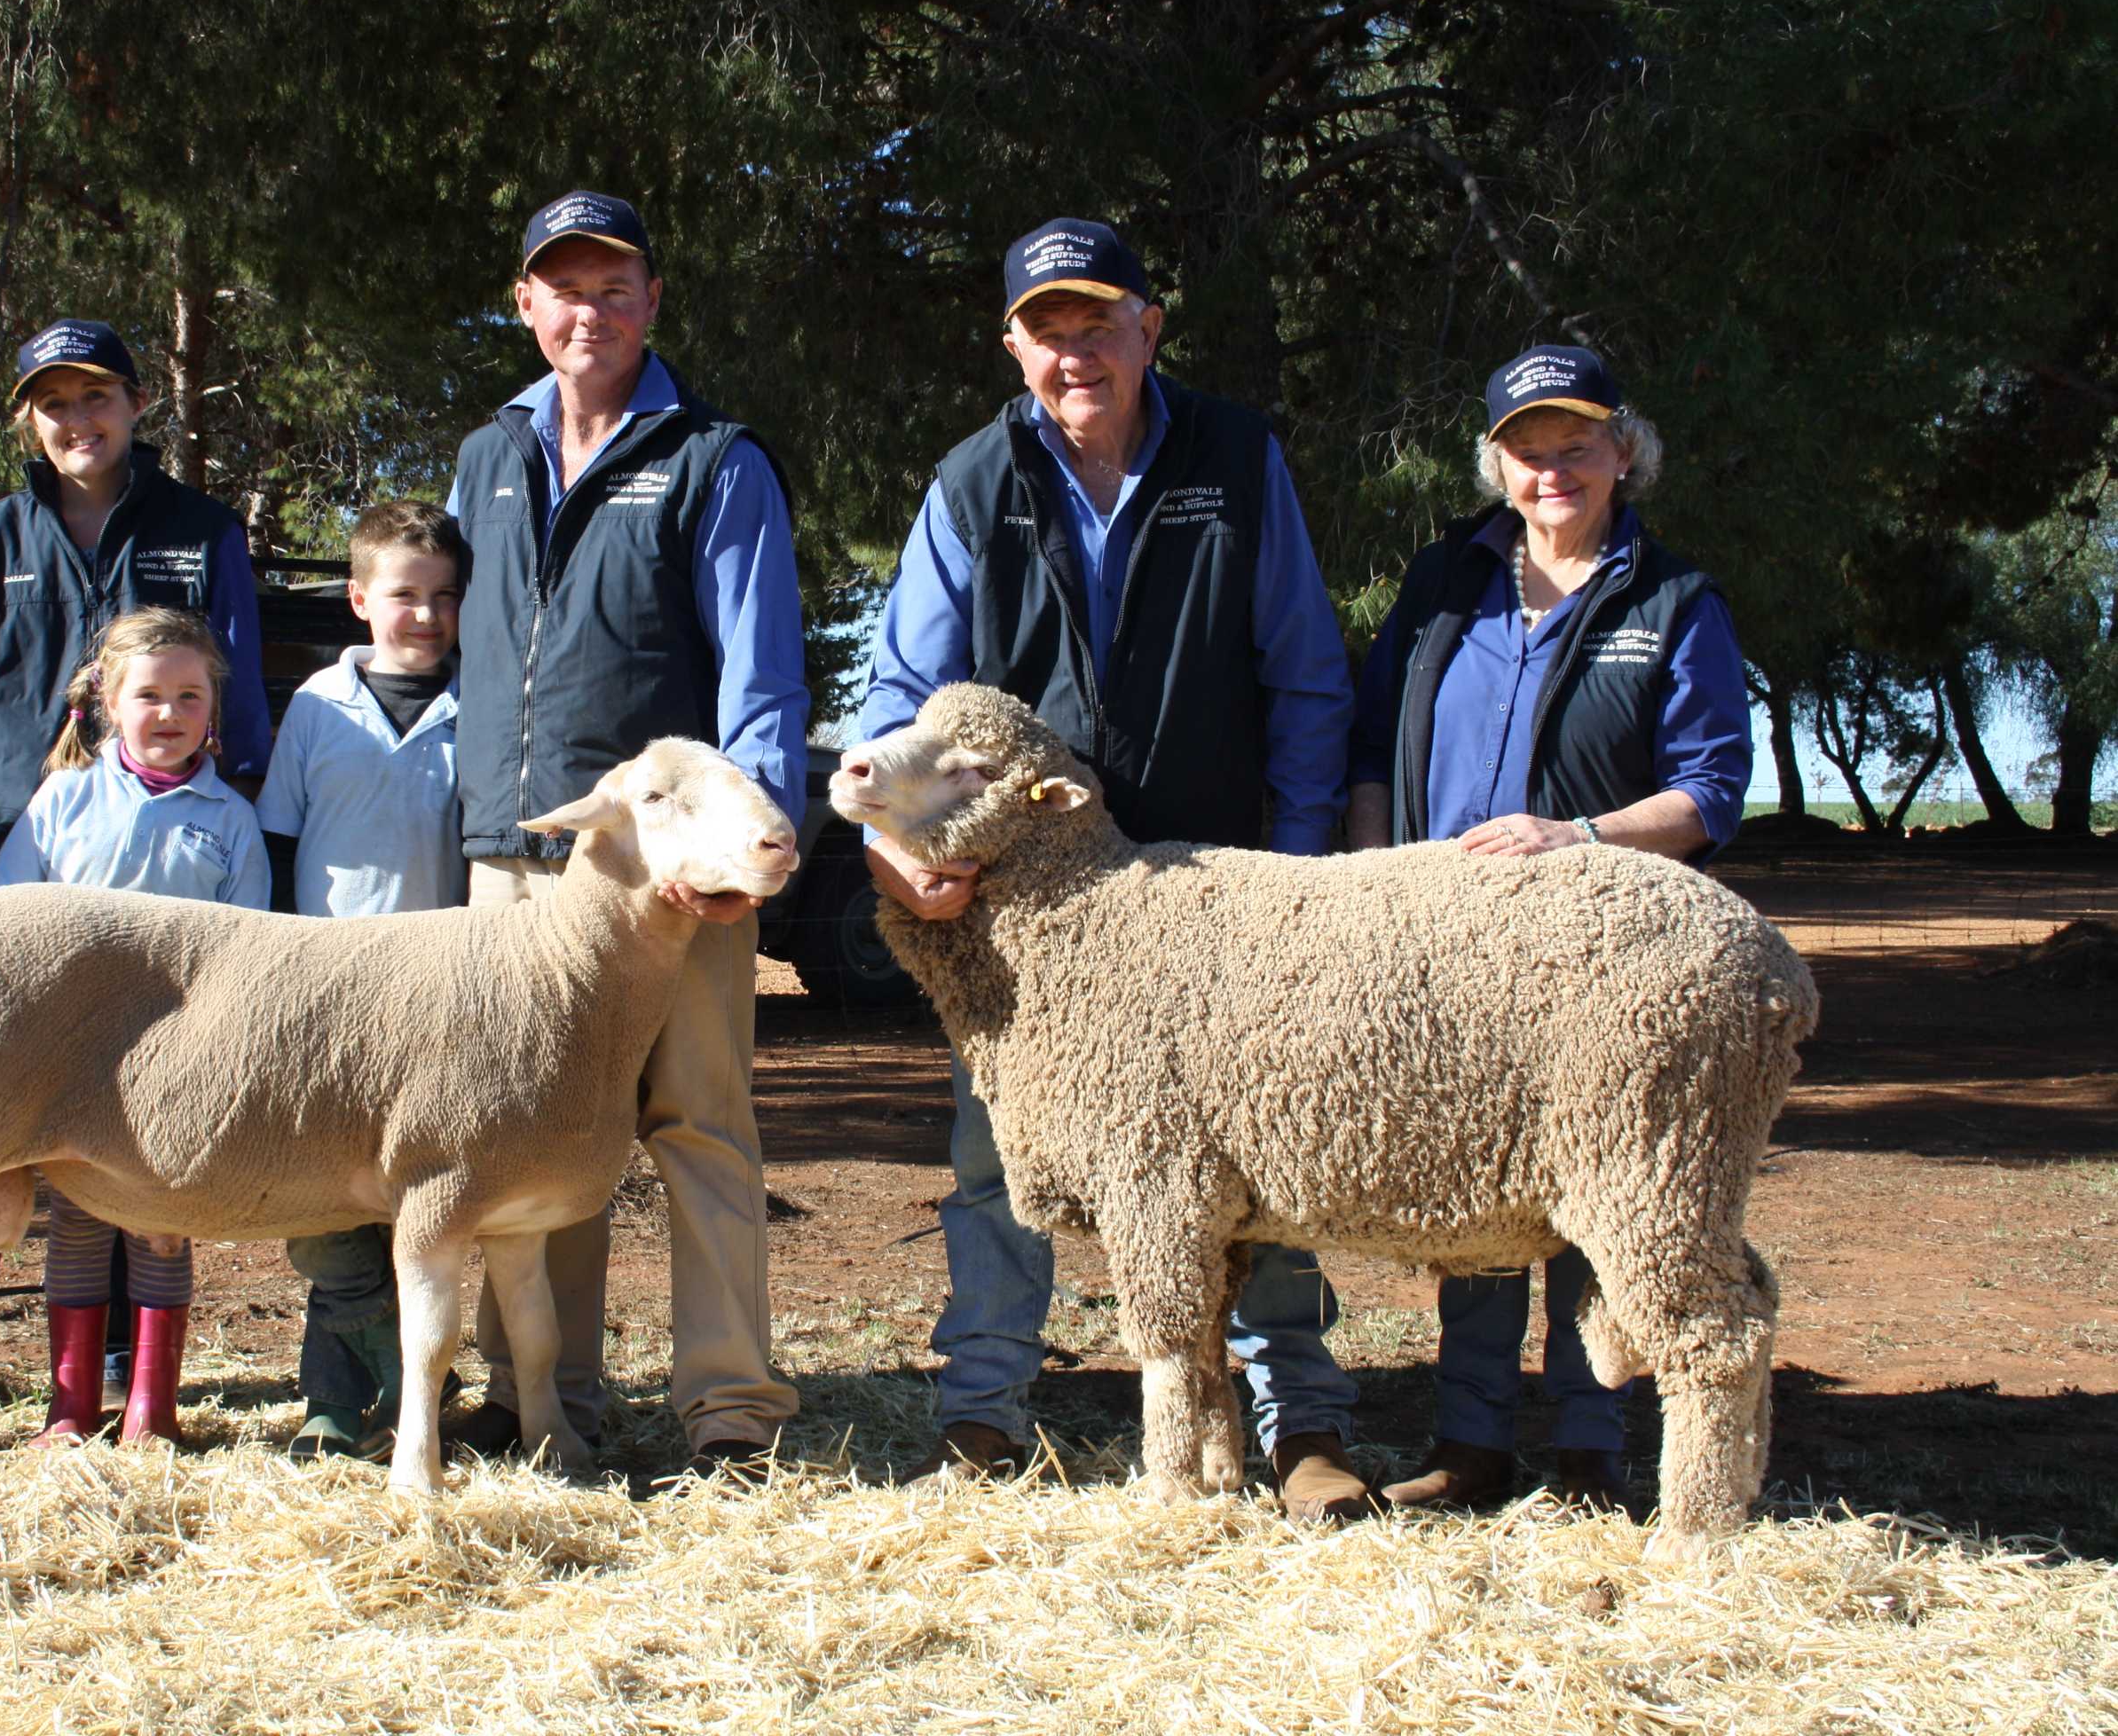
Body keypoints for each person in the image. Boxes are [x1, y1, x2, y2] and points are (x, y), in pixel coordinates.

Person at [854, 216, 1372, 1520]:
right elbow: (906, 698)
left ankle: (1297, 1419)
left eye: (1100, 323)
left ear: (1150, 328)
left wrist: (1301, 878)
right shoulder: (976, 480)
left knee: (1270, 1148)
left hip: (1222, 885)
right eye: (1047, 328)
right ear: (1012, 343)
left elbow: (1305, 672)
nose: (1074, 351)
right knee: (997, 1149)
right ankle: (984, 1409)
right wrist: (899, 841)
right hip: (1034, 904)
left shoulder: (1236, 458)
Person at [1344, 343, 1754, 1512]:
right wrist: (1376, 874)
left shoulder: (1673, 602)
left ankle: (1590, 1449)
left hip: (1601, 960)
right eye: (1530, 449)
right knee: (1469, 1191)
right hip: (1440, 950)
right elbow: (1373, 746)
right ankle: (1470, 1445)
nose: (1554, 468)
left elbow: (1710, 791)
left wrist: (1577, 837)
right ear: (1499, 465)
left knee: (1603, 1198)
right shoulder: (1442, 583)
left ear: (1624, 451)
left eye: (1577, 443)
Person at [441, 189, 808, 1481]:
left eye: (614, 286)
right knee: (530, 1141)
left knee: (701, 1131)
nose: (587, 309)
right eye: (563, 286)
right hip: (514, 867)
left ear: (653, 302)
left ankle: (727, 1418)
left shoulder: (716, 457)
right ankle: (541, 1400)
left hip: (670, 879)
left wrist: (743, 856)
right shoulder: (486, 456)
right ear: (526, 304)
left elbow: (763, 679)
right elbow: (461, 652)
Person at [0, 318, 275, 1404]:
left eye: (98, 398)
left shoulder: (200, 530)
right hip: (29, 851)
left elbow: (238, 680)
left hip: (167, 855)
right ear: (30, 417)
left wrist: (230, 799)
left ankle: (119, 1366)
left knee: (130, 1119)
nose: (80, 420)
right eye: (55, 402)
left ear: (135, 406)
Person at [0, 606, 272, 1446]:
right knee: (77, 1221)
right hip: (71, 1064)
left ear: (213, 711)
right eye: (149, 695)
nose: (170, 714)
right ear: (108, 700)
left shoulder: (230, 820)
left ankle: (152, 1410)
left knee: (160, 1220)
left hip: (176, 1064)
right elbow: (7, 916)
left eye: (191, 697)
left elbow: (248, 951)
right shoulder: (64, 799)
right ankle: (71, 1408)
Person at [253, 499, 467, 1461]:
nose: (422, 615)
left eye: (443, 596)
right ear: (357, 598)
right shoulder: (314, 706)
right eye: (402, 594)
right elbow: (278, 839)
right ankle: (336, 1405)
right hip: (326, 995)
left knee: (426, 1207)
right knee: (331, 1211)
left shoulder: (485, 707)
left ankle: (427, 1398)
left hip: (443, 996)